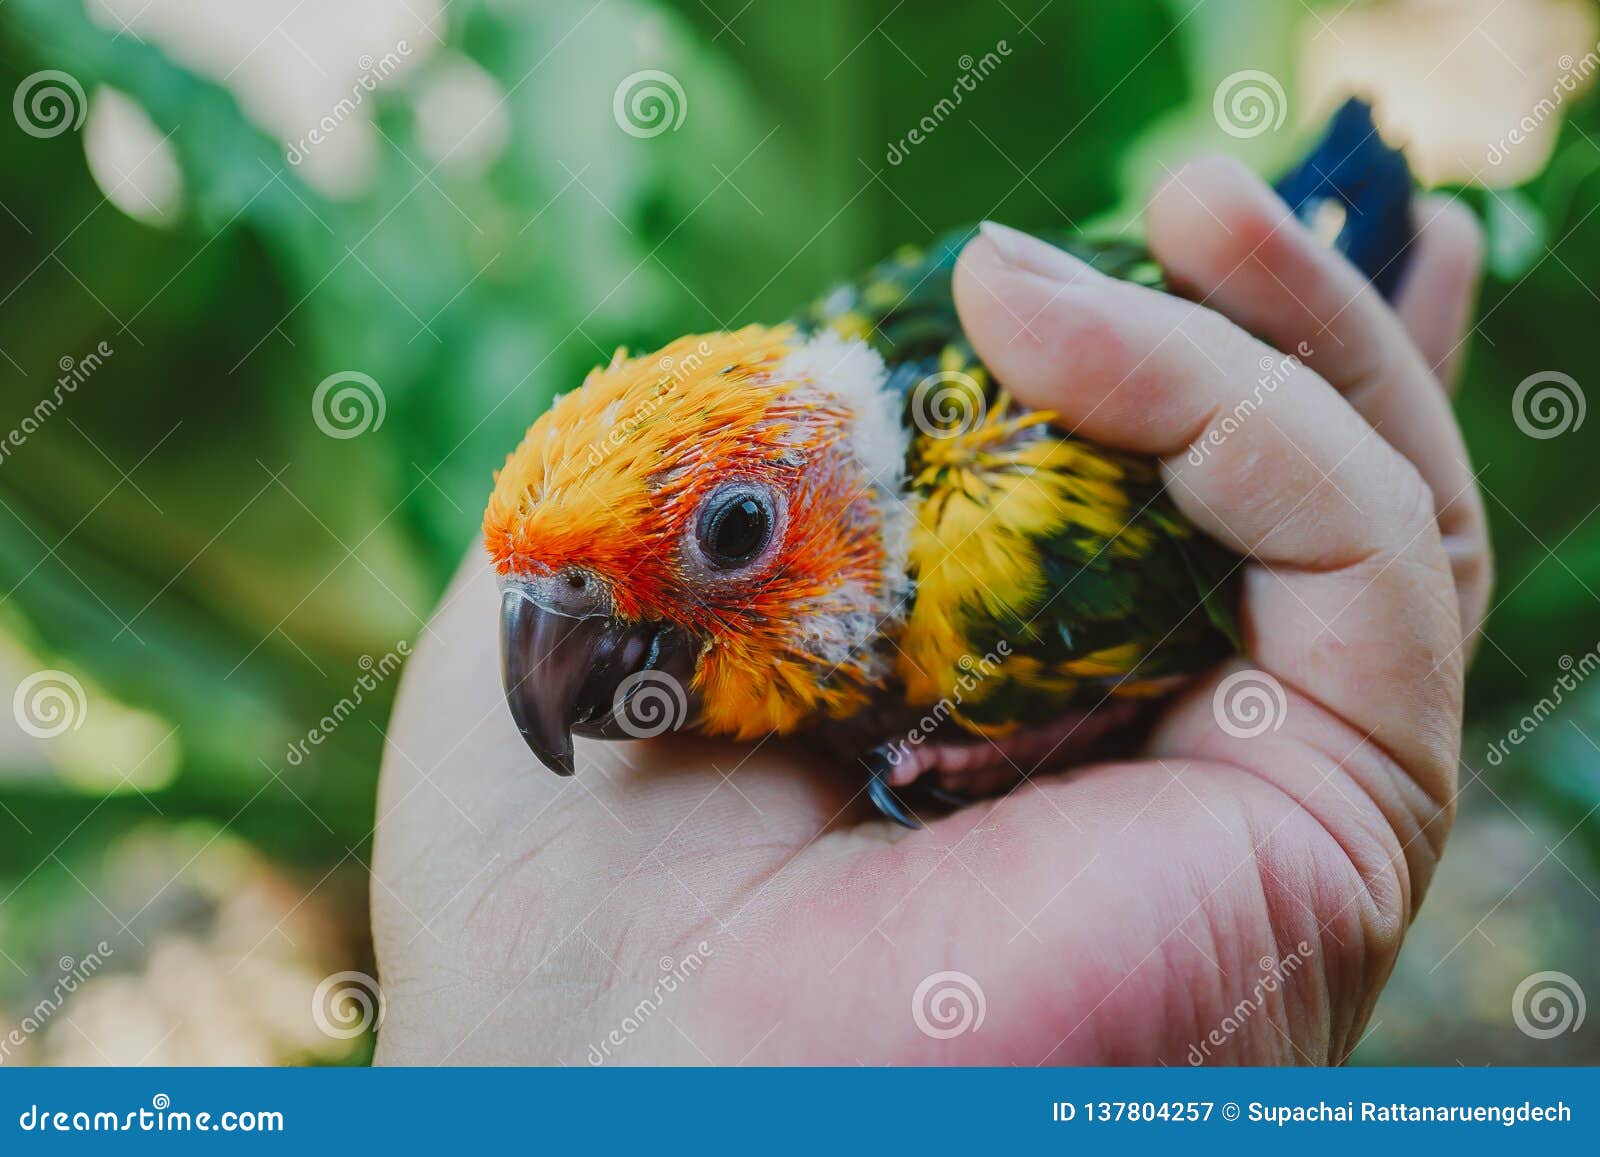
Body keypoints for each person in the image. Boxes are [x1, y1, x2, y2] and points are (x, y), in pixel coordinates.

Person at [370, 156, 1489, 1065]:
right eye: (546, 598)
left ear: (837, 488)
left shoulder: (996, 554)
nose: (575, 644)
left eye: (731, 534)